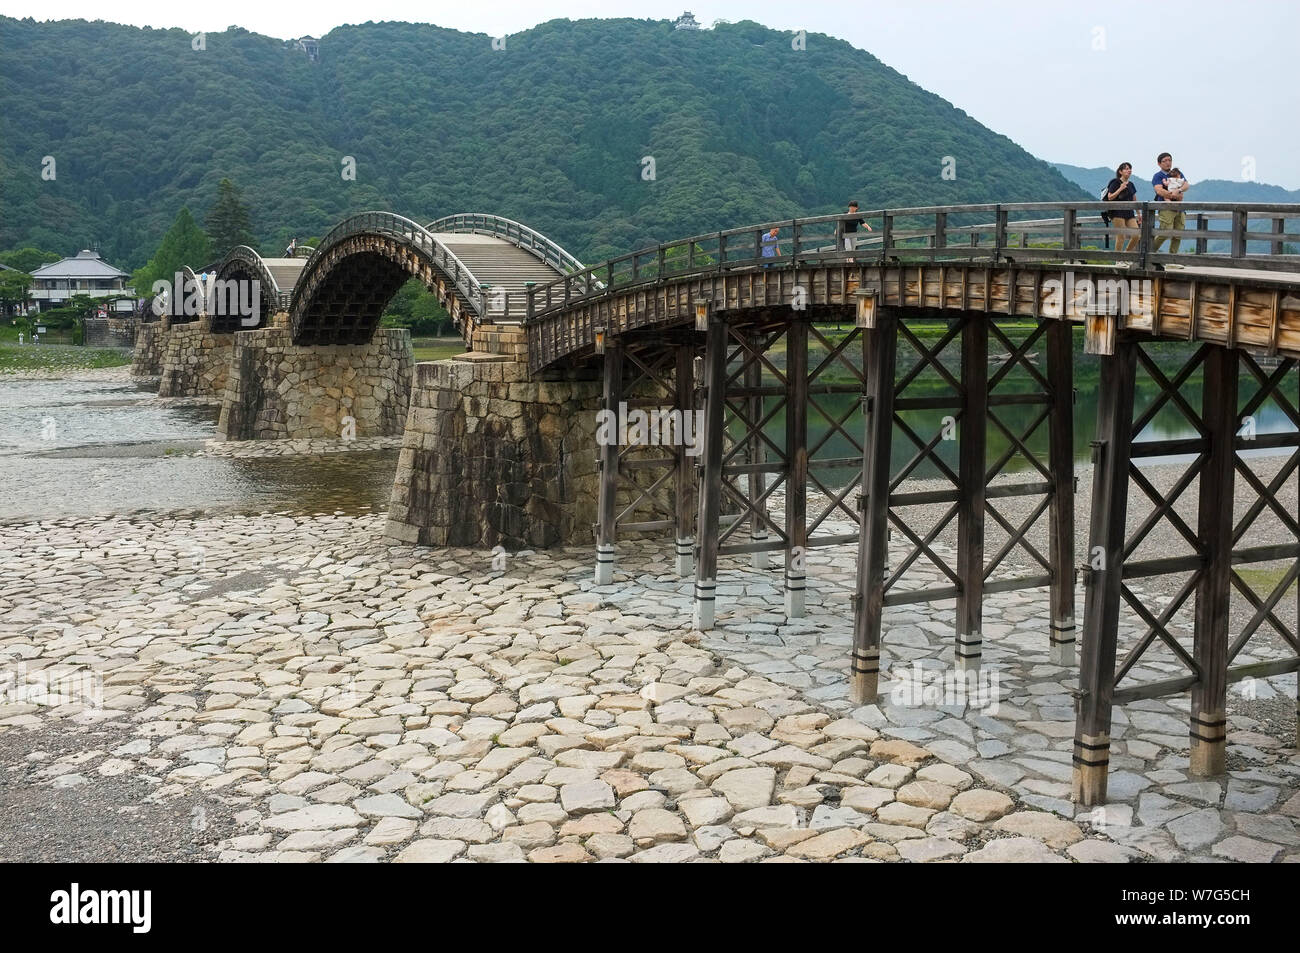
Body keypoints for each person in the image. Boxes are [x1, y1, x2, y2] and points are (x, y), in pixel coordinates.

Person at [1152, 153, 1187, 254]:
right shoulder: (1158, 176)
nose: (1168, 162)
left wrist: (1179, 190)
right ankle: (1149, 253)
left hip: (1180, 208)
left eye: (1170, 160)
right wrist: (1174, 194)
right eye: (1165, 161)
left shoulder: (1177, 173)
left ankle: (1172, 259)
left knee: (1178, 234)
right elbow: (1159, 190)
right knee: (1165, 232)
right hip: (1166, 208)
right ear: (1159, 163)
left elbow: (1186, 185)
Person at [1104, 162, 1141, 254]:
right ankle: (1118, 259)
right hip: (1117, 212)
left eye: (1130, 169)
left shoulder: (1131, 184)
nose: (1129, 170)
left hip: (1129, 212)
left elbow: (1134, 199)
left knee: (1137, 235)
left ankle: (1126, 254)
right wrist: (1120, 188)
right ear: (1120, 171)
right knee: (1121, 235)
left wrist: (1139, 214)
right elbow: (1110, 197)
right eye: (1126, 169)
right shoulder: (1115, 182)